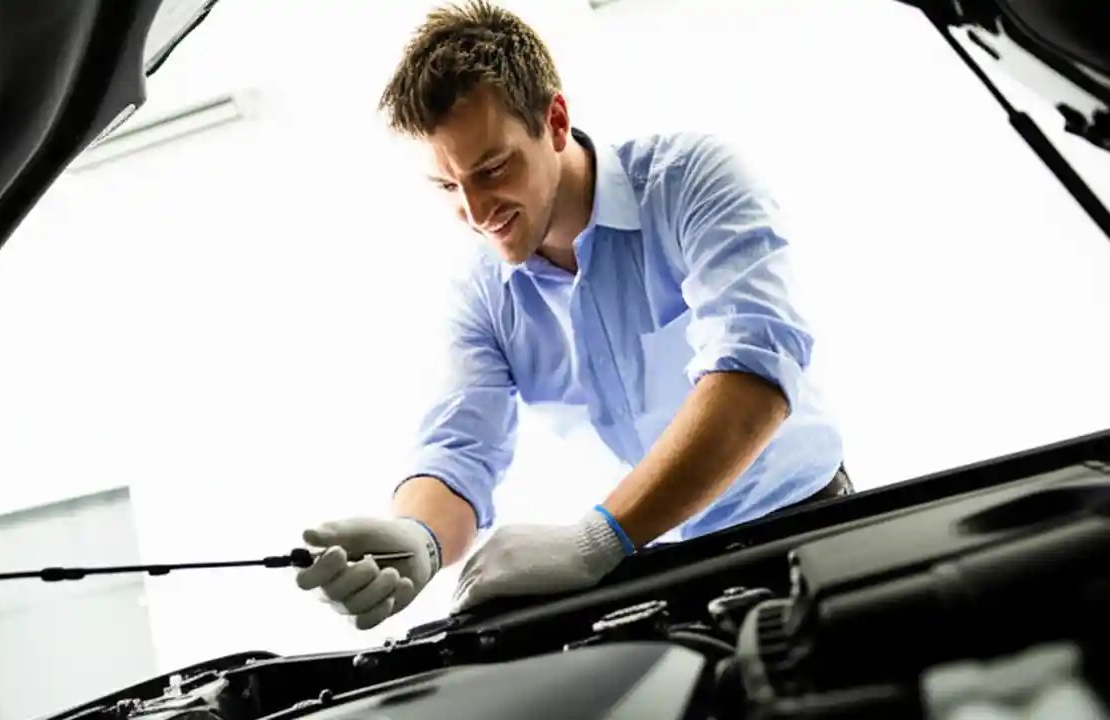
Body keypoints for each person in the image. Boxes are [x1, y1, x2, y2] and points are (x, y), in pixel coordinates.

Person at [292, 0, 849, 631]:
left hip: (805, 531)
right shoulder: (482, 294)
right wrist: (416, 540)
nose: (476, 212)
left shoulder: (692, 182)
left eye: (492, 169)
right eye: (449, 188)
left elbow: (753, 372)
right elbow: (461, 450)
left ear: (555, 121)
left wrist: (596, 539)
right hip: (656, 567)